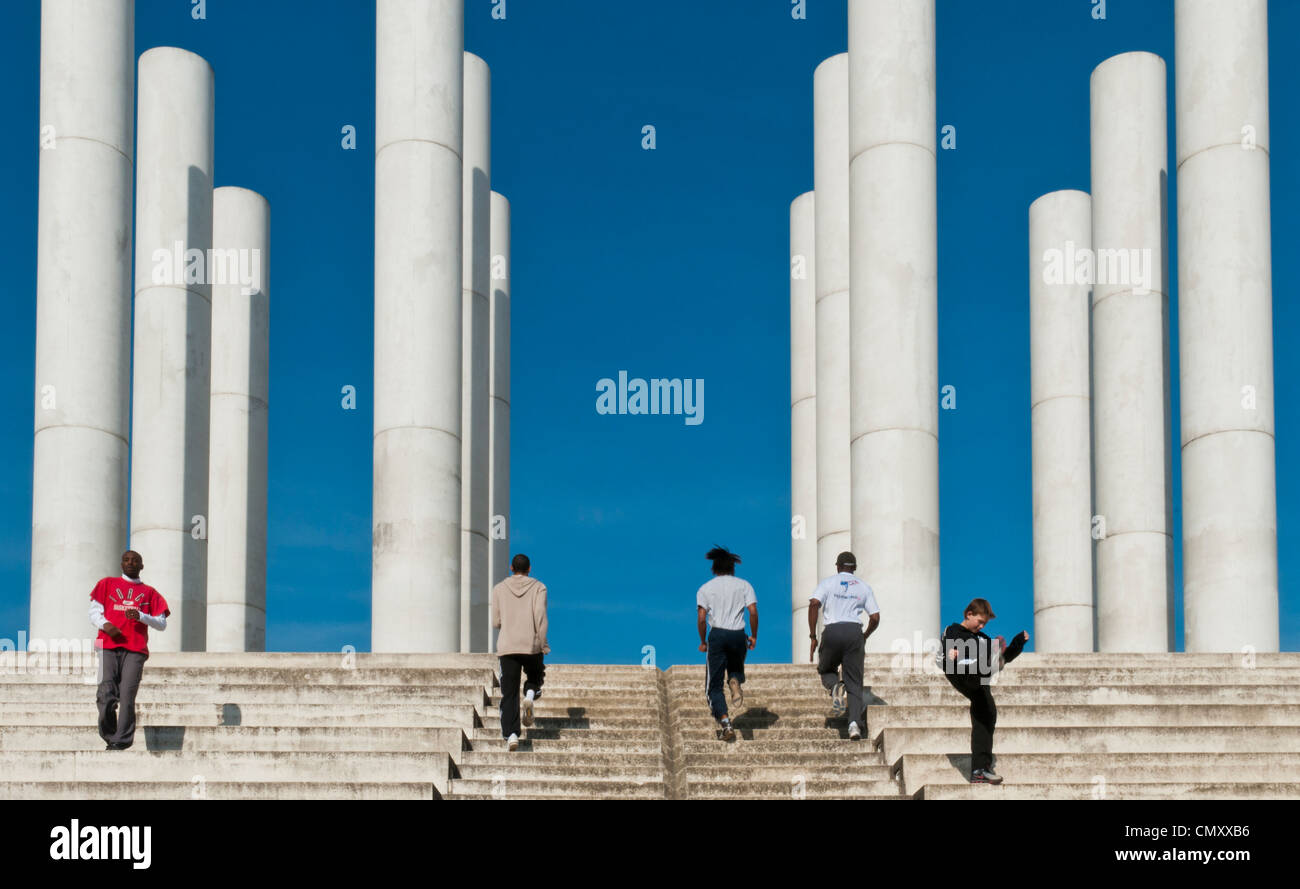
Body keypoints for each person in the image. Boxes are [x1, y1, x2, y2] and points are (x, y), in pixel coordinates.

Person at [939, 598, 1029, 784]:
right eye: (979, 622)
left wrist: (1017, 643)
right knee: (980, 655)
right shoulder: (954, 630)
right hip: (961, 671)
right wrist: (952, 652)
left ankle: (980, 770)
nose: (981, 626)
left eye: (984, 624)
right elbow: (949, 645)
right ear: (969, 614)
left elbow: (1005, 658)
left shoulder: (982, 638)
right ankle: (985, 662)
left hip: (980, 678)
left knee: (987, 713)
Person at [89, 551, 169, 750]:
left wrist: (141, 616)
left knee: (127, 695)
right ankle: (109, 734)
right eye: (126, 560)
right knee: (105, 694)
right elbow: (94, 611)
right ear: (121, 564)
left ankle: (121, 740)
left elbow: (161, 623)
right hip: (107, 646)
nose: (130, 563)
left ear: (142, 566)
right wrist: (106, 625)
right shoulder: (106, 584)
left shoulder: (150, 592)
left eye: (135, 561)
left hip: (135, 649)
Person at [808, 551, 879, 742]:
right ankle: (854, 725)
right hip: (854, 632)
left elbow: (814, 603)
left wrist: (813, 636)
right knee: (855, 683)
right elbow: (875, 617)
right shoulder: (864, 587)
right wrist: (865, 635)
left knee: (826, 669)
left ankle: (834, 687)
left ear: (838, 566)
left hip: (831, 632)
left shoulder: (828, 583)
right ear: (854, 568)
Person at [696, 546, 757, 742]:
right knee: (736, 667)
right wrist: (753, 636)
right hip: (738, 635)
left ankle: (725, 723)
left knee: (713, 687)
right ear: (733, 569)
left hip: (718, 635)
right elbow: (753, 612)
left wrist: (703, 641)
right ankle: (735, 679)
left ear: (714, 569)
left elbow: (702, 618)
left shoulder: (705, 588)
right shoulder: (744, 585)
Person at [490, 553, 549, 752]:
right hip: (530, 644)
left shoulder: (498, 589)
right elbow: (540, 616)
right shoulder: (539, 587)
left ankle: (512, 734)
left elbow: (495, 622)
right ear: (529, 569)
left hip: (507, 646)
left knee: (509, 693)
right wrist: (543, 643)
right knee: (535, 674)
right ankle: (531, 695)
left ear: (510, 568)